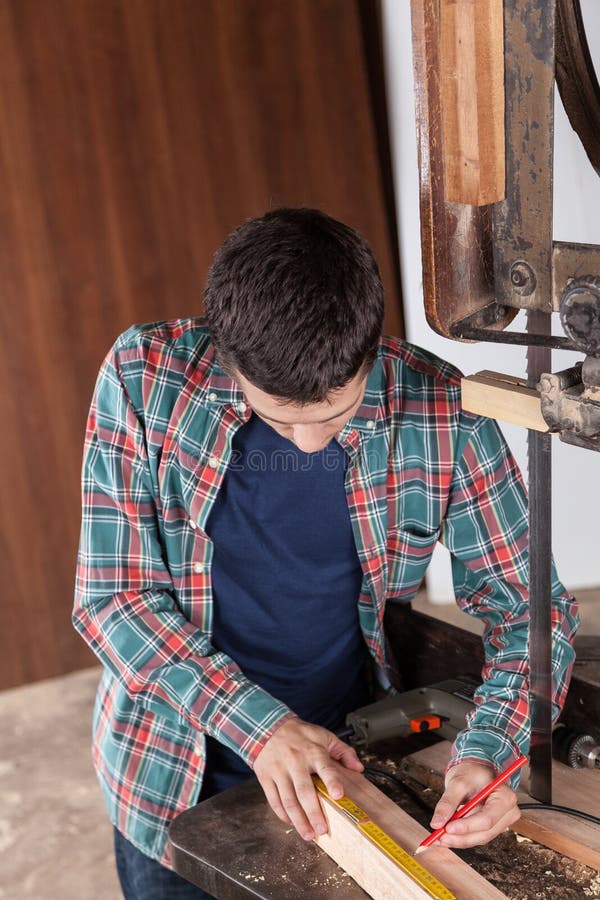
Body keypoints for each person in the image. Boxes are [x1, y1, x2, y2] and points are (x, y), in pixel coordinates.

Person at [73, 207, 579, 899]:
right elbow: (113, 601)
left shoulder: (442, 414)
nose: (309, 444)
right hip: (164, 772)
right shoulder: (143, 377)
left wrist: (490, 750)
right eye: (280, 417)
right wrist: (260, 727)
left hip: (348, 764)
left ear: (370, 348)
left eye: (337, 416)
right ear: (225, 355)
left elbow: (530, 612)